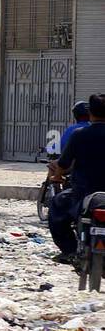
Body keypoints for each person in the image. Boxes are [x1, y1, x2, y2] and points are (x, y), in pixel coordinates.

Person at [48, 93, 105, 261]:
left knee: (57, 208)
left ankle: (70, 251)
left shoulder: (79, 134)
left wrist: (57, 177)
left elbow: (63, 164)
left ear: (91, 113)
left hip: (83, 193)